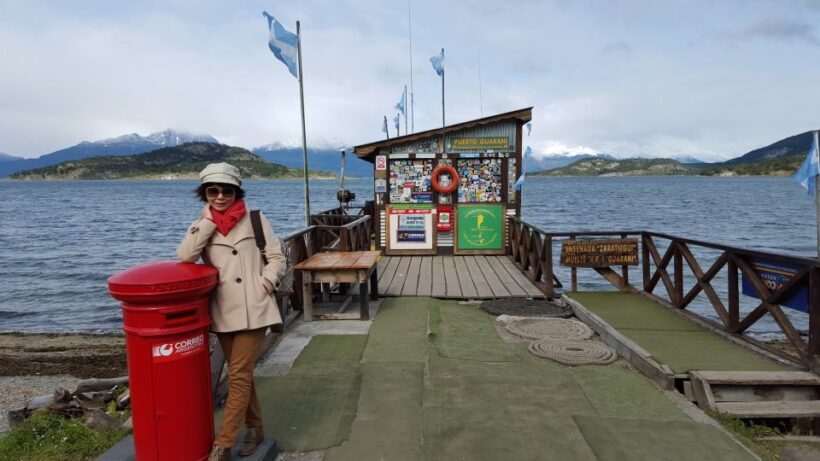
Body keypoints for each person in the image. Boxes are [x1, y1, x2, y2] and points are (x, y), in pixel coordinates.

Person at [177, 162, 286, 461]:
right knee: (243, 374)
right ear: (205, 193)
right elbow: (186, 256)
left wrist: (265, 282)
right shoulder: (202, 223)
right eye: (213, 191)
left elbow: (277, 256)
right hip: (223, 309)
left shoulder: (255, 219)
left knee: (238, 375)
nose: (221, 196)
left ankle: (222, 444)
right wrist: (210, 221)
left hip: (254, 306)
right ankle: (255, 427)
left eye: (227, 190)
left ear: (237, 192)